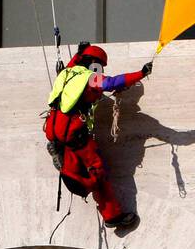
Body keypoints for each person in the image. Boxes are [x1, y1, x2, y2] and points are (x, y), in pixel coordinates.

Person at [44, 42, 152, 230]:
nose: (100, 70)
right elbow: (112, 83)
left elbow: (73, 65)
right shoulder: (90, 78)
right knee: (97, 173)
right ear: (94, 64)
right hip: (74, 132)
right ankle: (113, 216)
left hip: (54, 128)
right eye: (99, 66)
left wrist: (78, 53)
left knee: (74, 165)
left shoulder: (66, 73)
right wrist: (141, 73)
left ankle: (63, 160)